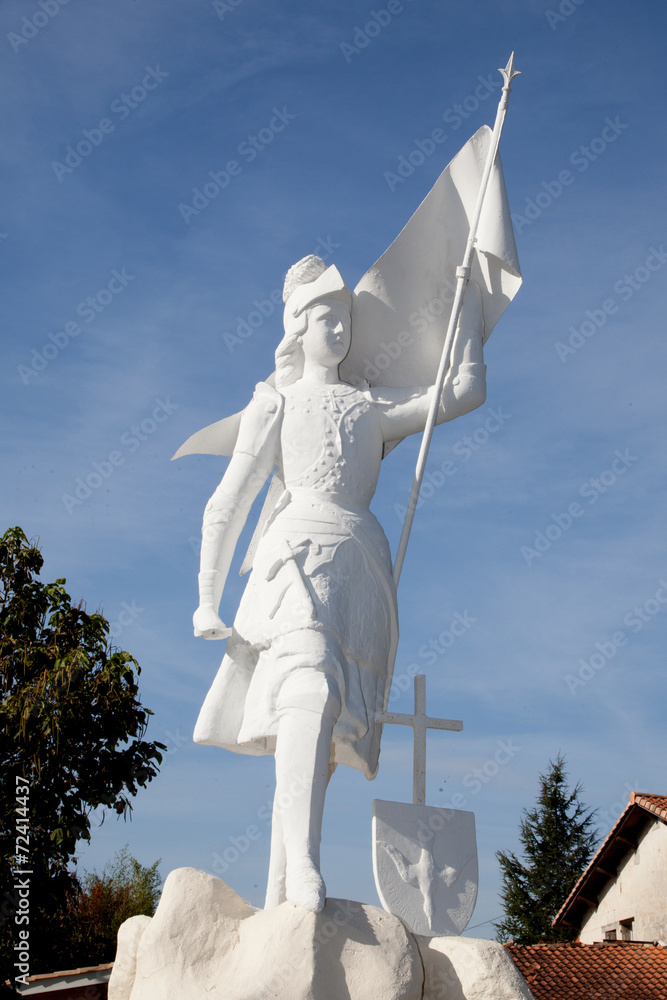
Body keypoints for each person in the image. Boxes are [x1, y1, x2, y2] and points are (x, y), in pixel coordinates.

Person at [192, 254, 486, 912]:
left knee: (322, 733)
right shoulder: (276, 402)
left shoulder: (368, 406)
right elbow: (228, 501)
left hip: (360, 566)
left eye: (345, 317)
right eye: (325, 315)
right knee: (309, 684)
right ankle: (301, 865)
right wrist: (206, 597)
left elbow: (462, 392)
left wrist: (464, 307)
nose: (339, 328)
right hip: (296, 553)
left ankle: (280, 891)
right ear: (296, 324)